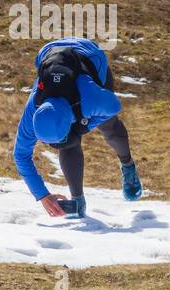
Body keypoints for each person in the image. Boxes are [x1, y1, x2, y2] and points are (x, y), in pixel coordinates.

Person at [13, 37, 142, 219]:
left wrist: (85, 125)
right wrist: (42, 195)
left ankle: (128, 166)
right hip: (50, 54)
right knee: (68, 144)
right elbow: (20, 156)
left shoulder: (91, 99)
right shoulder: (33, 111)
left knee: (109, 127)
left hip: (90, 57)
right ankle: (78, 200)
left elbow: (114, 106)